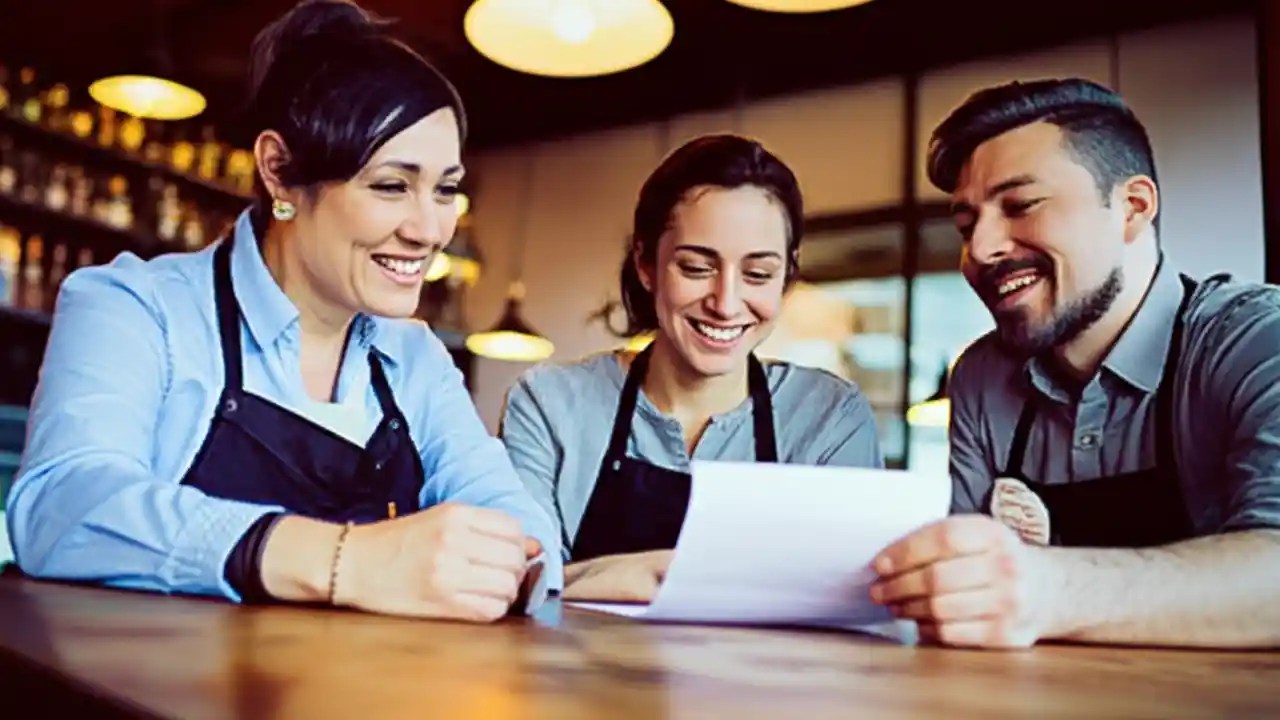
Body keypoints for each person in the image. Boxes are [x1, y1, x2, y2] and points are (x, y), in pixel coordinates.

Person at [6, 0, 560, 622]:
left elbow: (517, 520)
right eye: (391, 185)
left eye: (446, 189)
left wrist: (521, 560)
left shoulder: (415, 358)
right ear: (278, 170)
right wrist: (344, 560)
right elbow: (61, 508)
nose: (430, 229)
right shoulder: (136, 307)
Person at [869, 78, 1280, 649]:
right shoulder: (981, 378)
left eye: (1021, 205)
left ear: (1132, 208)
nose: (980, 249)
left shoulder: (1257, 340)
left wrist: (1045, 590)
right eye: (966, 225)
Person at [500, 135, 883, 602]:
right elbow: (523, 578)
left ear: (787, 276)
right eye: (697, 267)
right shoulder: (548, 403)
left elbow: (848, 595)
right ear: (646, 263)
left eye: (758, 274)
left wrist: (609, 576)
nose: (725, 304)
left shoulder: (830, 418)